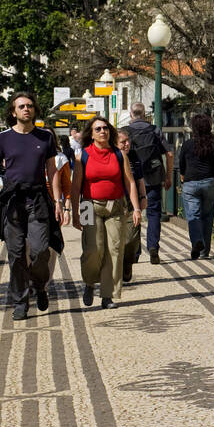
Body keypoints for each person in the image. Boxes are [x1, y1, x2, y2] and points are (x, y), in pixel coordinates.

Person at [0, 93, 64, 321]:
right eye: (21, 106)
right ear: (13, 112)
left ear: (34, 110)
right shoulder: (4, 138)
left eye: (29, 106)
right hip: (13, 202)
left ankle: (39, 286)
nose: (26, 109)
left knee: (40, 250)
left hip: (38, 200)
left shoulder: (45, 137)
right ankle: (20, 301)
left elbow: (52, 171)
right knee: (16, 255)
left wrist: (58, 201)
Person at [71, 117, 143, 309]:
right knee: (93, 248)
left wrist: (136, 208)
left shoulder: (119, 155)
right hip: (88, 205)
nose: (102, 131)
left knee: (114, 249)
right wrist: (75, 213)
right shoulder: (82, 156)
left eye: (105, 128)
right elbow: (75, 187)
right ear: (91, 134)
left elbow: (130, 182)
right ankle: (89, 282)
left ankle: (107, 295)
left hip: (116, 206)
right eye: (98, 129)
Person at [123, 102, 172, 265]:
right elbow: (170, 153)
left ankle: (135, 252)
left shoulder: (126, 132)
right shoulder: (155, 130)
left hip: (133, 178)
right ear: (144, 115)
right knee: (153, 214)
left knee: (133, 212)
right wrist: (168, 176)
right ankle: (153, 248)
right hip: (153, 177)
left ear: (131, 114)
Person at [178, 113, 214, 260]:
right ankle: (204, 251)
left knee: (194, 216)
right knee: (207, 216)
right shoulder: (213, 145)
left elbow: (182, 165)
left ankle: (197, 241)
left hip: (190, 184)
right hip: (209, 184)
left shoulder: (187, 145)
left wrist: (183, 178)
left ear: (194, 128)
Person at [116, 128, 145, 283]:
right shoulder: (112, 156)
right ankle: (114, 272)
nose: (127, 144)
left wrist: (143, 197)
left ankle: (127, 263)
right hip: (114, 202)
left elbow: (139, 179)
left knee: (131, 239)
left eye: (128, 141)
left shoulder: (133, 156)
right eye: (123, 142)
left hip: (131, 202)